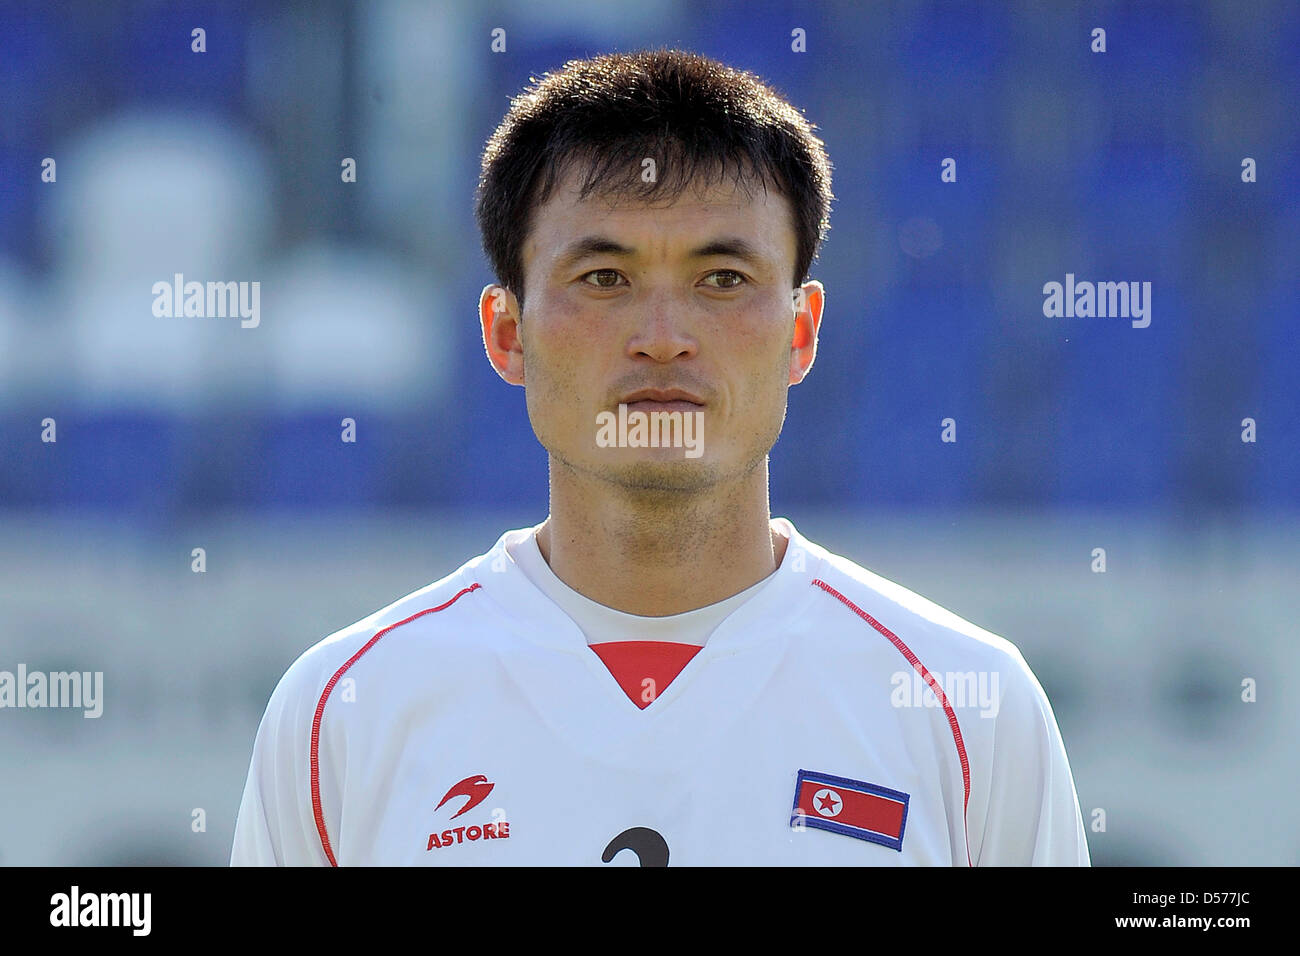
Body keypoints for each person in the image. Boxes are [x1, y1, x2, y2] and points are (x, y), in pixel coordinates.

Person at [231, 48, 1089, 866]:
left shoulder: (968, 703)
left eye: (723, 280)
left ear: (800, 332)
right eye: (604, 278)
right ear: (506, 333)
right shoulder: (344, 709)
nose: (663, 340)